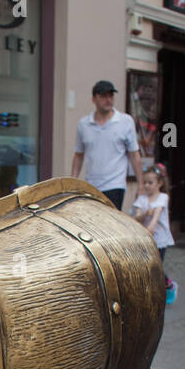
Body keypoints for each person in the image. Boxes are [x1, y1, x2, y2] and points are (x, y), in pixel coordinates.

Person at [71, 80, 142, 210]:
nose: (108, 100)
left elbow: (134, 154)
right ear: (94, 99)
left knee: (110, 225)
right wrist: (72, 181)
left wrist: (141, 185)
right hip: (91, 185)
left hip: (115, 184)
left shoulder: (125, 121)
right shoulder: (84, 124)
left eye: (111, 96)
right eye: (103, 96)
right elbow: (78, 154)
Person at [131, 163, 177, 304]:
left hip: (159, 240)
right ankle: (147, 295)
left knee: (155, 268)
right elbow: (136, 218)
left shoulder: (162, 197)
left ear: (159, 183)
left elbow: (155, 219)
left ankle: (167, 286)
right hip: (144, 240)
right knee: (145, 267)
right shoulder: (142, 199)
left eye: (150, 182)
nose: (147, 185)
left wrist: (148, 227)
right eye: (144, 182)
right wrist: (145, 214)